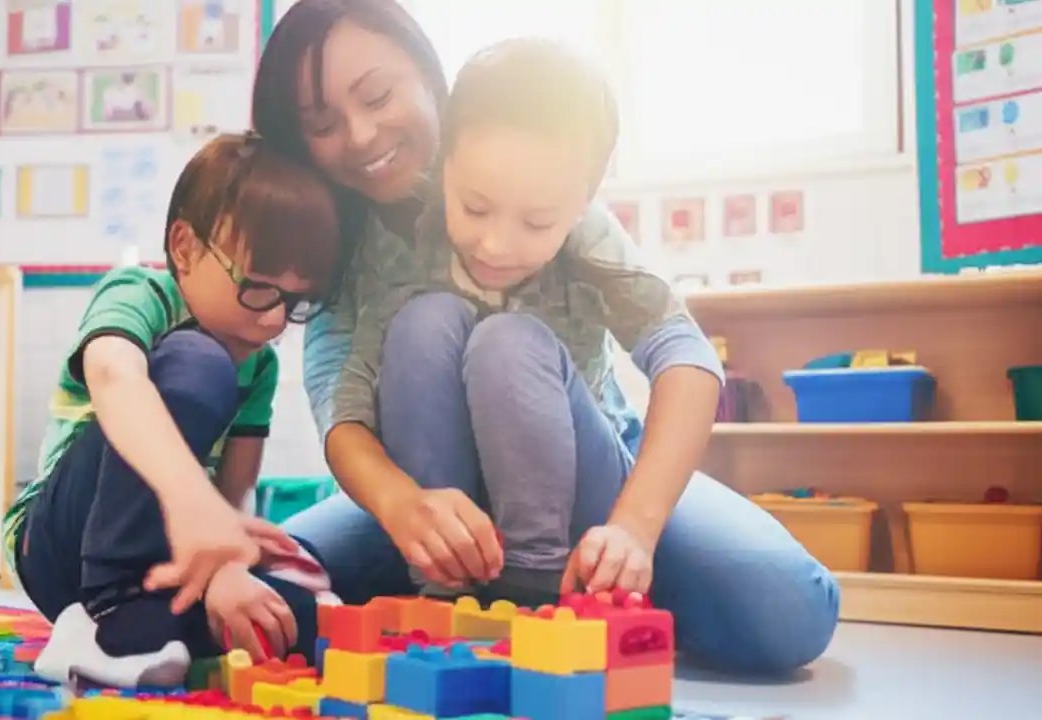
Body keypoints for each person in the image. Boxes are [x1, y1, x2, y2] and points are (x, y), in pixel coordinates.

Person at [253, 0, 840, 675]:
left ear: (427, 76)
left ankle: (577, 588)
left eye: (378, 95)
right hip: (427, 504)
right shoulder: (351, 248)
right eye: (322, 123)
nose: (358, 135)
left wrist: (634, 528)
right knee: (260, 593)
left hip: (585, 478)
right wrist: (402, 506)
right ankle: (456, 593)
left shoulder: (532, 182)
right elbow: (342, 410)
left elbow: (683, 352)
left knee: (787, 611)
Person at [2, 132, 342, 688]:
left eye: (296, 301)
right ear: (184, 248)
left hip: (165, 563)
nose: (275, 321)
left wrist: (230, 567)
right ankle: (110, 610)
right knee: (196, 360)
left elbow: (234, 495)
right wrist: (193, 505)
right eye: (258, 288)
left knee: (290, 621)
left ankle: (111, 633)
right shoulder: (142, 294)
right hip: (59, 546)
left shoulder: (258, 365)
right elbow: (114, 376)